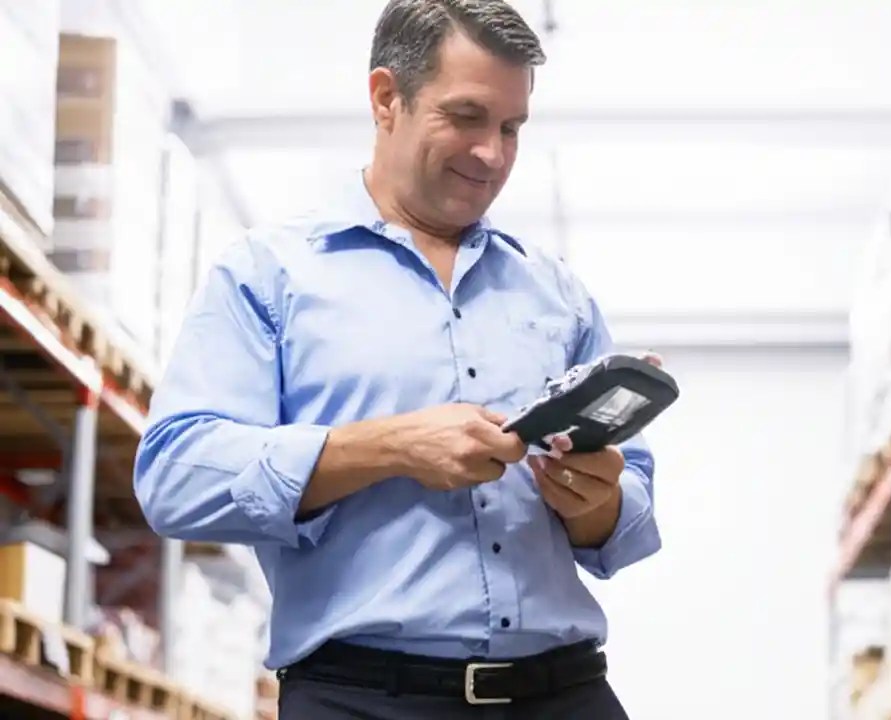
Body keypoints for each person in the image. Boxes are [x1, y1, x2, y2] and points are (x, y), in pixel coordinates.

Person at [133, 1, 662, 717]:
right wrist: (383, 447)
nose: (493, 153)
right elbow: (173, 476)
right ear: (387, 98)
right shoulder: (270, 275)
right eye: (467, 116)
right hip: (362, 699)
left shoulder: (556, 292)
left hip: (562, 692)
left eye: (511, 127)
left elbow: (631, 510)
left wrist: (598, 502)